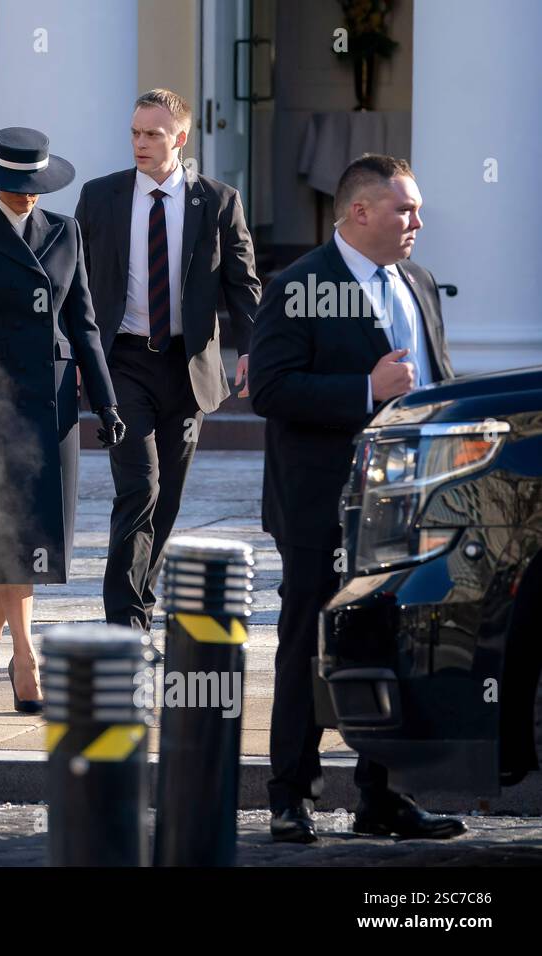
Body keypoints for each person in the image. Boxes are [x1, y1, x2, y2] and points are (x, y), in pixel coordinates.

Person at [250, 153, 464, 842]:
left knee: (393, 645)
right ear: (360, 211)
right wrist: (365, 389)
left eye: (417, 209)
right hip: (323, 505)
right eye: (405, 209)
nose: (418, 222)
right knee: (308, 642)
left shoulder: (421, 282)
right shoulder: (299, 284)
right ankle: (290, 796)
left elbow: (437, 380)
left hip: (409, 505)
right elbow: (271, 390)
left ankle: (383, 797)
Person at [0, 127, 125, 713]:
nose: (27, 196)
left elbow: (83, 322)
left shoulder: (67, 232)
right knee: (2, 529)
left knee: (35, 532)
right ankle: (25, 657)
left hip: (54, 400)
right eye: (16, 187)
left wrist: (106, 403)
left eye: (34, 186)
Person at [75, 88, 261, 632]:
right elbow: (77, 281)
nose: (140, 143)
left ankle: (142, 600)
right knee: (140, 486)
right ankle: (125, 622)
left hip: (188, 365)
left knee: (169, 496)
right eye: (134, 132)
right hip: (123, 363)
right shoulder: (101, 196)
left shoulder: (218, 201)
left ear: (179, 138)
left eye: (152, 134)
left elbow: (242, 284)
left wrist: (251, 348)